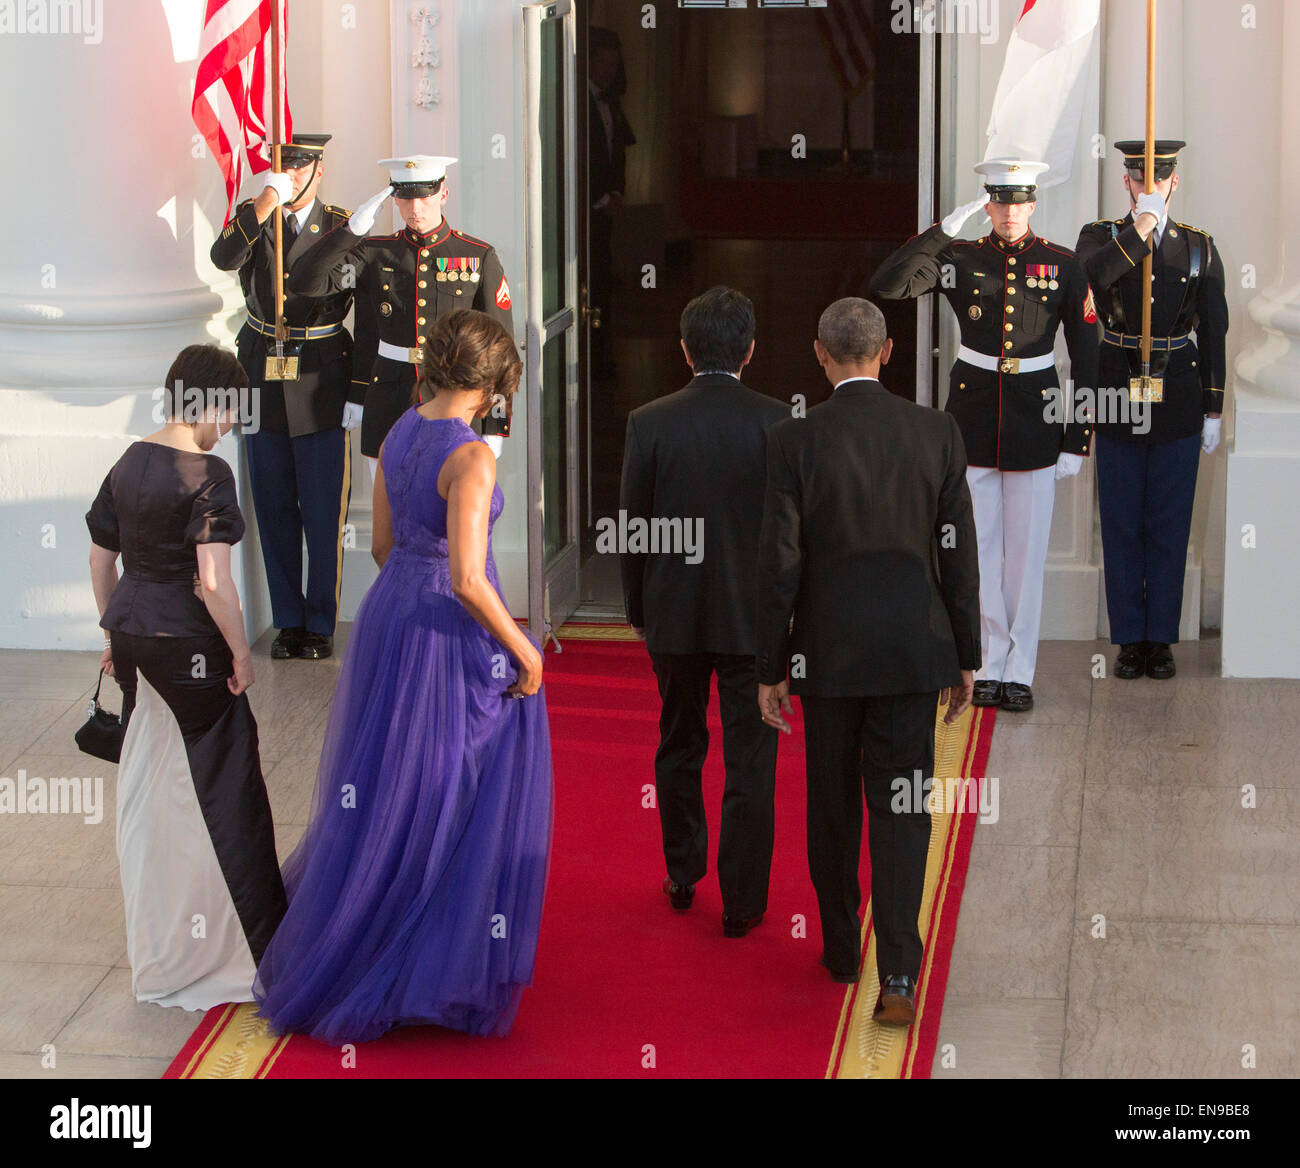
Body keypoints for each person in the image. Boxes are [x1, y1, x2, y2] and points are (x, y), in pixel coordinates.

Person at [254, 310, 551, 1043]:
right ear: (493, 382)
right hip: (450, 624)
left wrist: (412, 600)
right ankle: (425, 959)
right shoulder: (473, 458)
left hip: (392, 612)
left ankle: (368, 927)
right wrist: (527, 649)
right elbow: (469, 577)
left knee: (390, 780)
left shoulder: (399, 431)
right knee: (452, 785)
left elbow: (384, 545)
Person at [755, 299, 980, 1024]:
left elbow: (779, 566)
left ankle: (843, 950)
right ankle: (902, 977)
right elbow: (959, 556)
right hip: (913, 653)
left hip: (828, 658)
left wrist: (770, 664)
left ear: (820, 355)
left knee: (832, 804)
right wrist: (967, 656)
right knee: (903, 810)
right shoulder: (936, 431)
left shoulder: (794, 441)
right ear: (887, 353)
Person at [86, 344, 285, 1011]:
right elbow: (212, 581)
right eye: (231, 410)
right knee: (229, 793)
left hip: (138, 639)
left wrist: (115, 634)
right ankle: (251, 952)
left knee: (160, 785)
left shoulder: (128, 460)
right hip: (190, 649)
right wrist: (241, 652)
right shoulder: (207, 472)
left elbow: (100, 561)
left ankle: (165, 949)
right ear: (213, 403)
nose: (231, 425)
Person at [869, 160, 1097, 713]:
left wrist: (1077, 436)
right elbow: (889, 285)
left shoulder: (1063, 265)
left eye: (1020, 201)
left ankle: (1020, 669)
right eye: (1000, 201)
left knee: (1025, 555)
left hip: (1036, 420)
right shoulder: (961, 258)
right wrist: (943, 231)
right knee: (979, 549)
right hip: (972, 414)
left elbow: (1089, 360)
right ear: (988, 204)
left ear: (1033, 204)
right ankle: (988, 661)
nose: (1010, 212)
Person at [620, 286, 786, 937]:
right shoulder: (780, 422)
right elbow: (788, 536)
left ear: (685, 351)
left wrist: (639, 609)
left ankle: (684, 873)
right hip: (753, 622)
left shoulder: (649, 420)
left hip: (676, 616)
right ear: (751, 350)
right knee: (753, 761)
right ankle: (743, 903)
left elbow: (635, 529)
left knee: (679, 742)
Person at [1075, 139, 1228, 681]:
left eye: (1159, 179)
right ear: (1127, 183)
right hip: (1118, 392)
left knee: (1168, 521)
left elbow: (1213, 331)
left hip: (1177, 393)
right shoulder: (1100, 237)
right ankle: (1128, 639)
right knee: (1120, 522)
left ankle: (1160, 638)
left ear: (1174, 182)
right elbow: (1090, 282)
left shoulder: (1198, 248)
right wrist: (1137, 232)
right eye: (1140, 179)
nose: (1149, 188)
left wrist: (1214, 409)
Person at [210, 133, 358, 662]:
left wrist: (361, 390)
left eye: (300, 166)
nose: (290, 174)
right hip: (262, 377)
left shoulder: (342, 224)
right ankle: (287, 620)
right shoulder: (255, 215)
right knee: (272, 507)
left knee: (321, 510)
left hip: (319, 376)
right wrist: (263, 206)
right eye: (282, 165)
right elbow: (224, 256)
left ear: (319, 169)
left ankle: (319, 621)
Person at [288, 154, 515, 481]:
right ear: (394, 199)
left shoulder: (477, 255)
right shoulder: (375, 252)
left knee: (447, 510)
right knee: (390, 508)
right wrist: (349, 232)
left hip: (456, 397)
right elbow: (304, 282)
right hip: (390, 396)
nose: (415, 208)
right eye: (405, 198)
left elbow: (500, 348)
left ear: (443, 194)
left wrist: (496, 422)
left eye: (424, 196)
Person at [588, 25, 636, 379]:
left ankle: (600, 354)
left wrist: (616, 193)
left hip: (606, 211)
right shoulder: (574, 103)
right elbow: (572, 159)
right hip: (583, 214)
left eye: (614, 64)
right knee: (589, 280)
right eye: (604, 62)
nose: (610, 71)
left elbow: (616, 154)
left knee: (604, 279)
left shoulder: (611, 103)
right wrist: (595, 199)